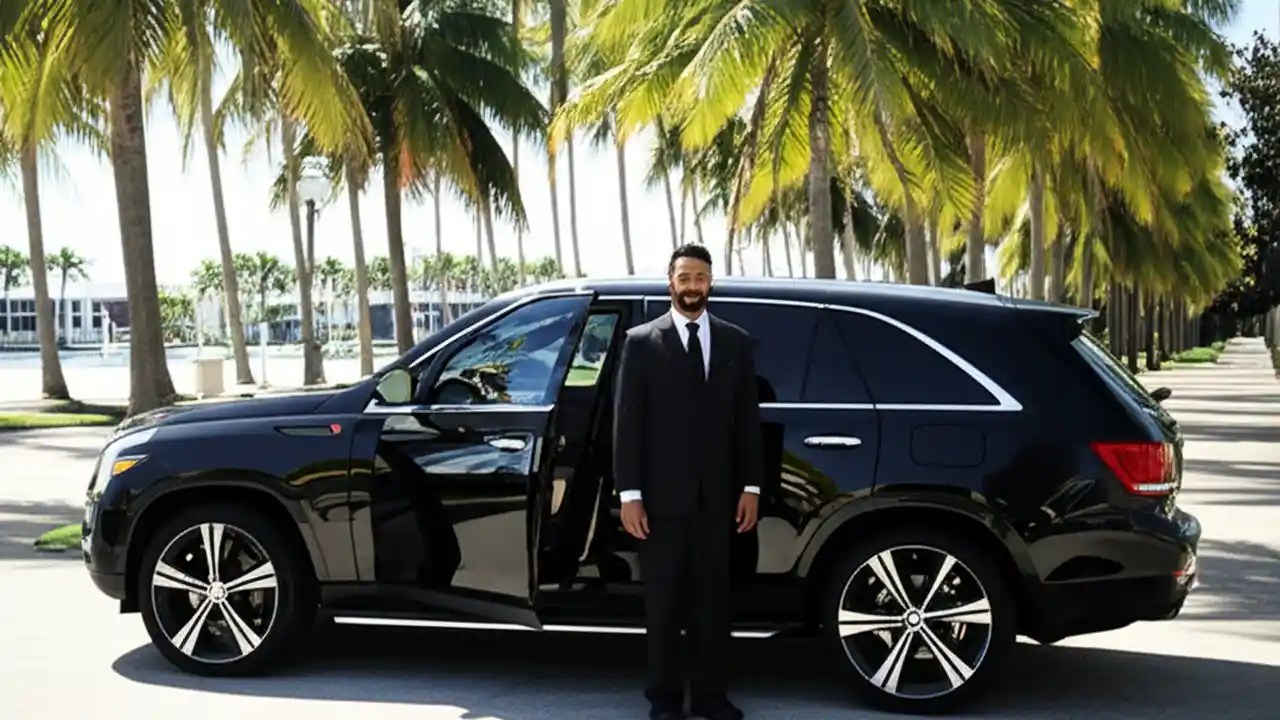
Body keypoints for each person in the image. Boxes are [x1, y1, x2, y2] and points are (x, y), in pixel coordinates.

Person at [612, 243, 765, 720]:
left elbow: (747, 423)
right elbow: (627, 425)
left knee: (713, 608)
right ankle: (663, 700)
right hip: (658, 503)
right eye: (685, 277)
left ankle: (711, 697)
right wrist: (630, 496)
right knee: (663, 610)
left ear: (711, 282)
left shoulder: (735, 342)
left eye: (701, 277)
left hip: (719, 502)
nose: (693, 286)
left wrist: (751, 488)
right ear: (670, 281)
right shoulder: (641, 342)